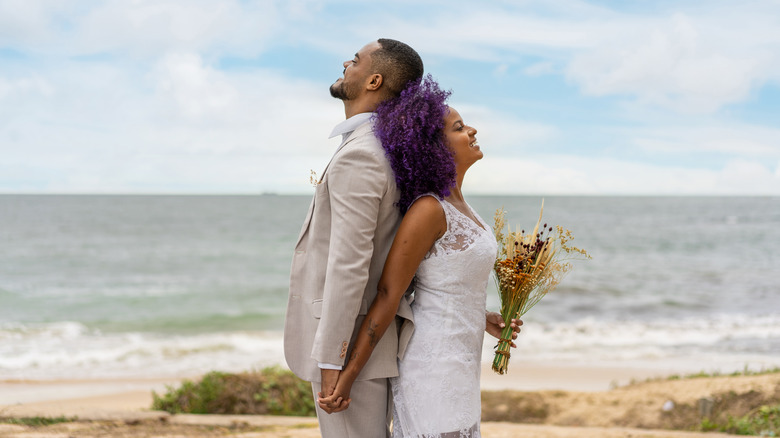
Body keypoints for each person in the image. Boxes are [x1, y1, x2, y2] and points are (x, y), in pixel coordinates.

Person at [317, 76, 521, 437]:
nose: (472, 130)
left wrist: (483, 316)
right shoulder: (428, 209)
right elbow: (388, 295)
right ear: (433, 148)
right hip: (433, 363)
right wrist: (346, 377)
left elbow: (447, 281)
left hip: (462, 359)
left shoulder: (463, 206)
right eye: (459, 128)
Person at [283, 39, 424, 438]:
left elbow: (349, 266)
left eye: (356, 60)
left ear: (374, 80)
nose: (347, 63)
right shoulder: (389, 150)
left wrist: (333, 361)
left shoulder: (362, 153)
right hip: (367, 348)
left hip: (349, 355)